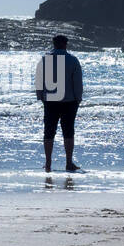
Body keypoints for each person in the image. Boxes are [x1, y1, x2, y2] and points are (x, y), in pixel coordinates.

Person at [34, 34, 83, 174]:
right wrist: (78, 99)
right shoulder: (73, 60)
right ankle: (68, 163)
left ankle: (48, 163)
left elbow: (39, 80)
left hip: (50, 101)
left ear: (54, 44)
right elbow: (77, 83)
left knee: (49, 131)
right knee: (68, 131)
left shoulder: (45, 60)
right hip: (69, 101)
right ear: (65, 44)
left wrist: (41, 97)